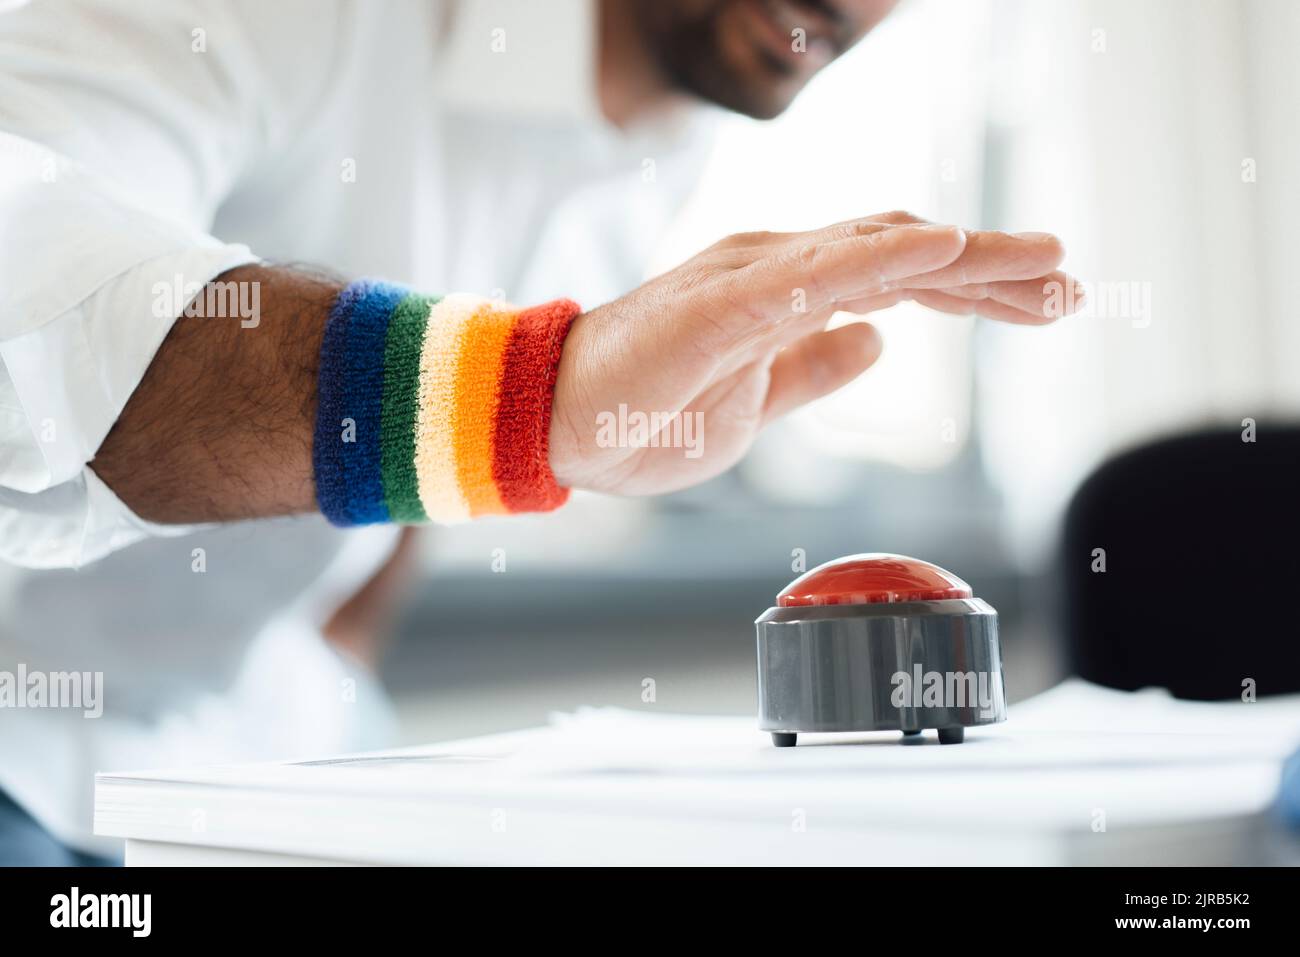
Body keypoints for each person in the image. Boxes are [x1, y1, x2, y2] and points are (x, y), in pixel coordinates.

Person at [0, 0, 1081, 864]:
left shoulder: (667, 144)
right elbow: (21, 282)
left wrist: (336, 679)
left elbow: (419, 489)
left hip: (254, 744)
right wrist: (531, 397)